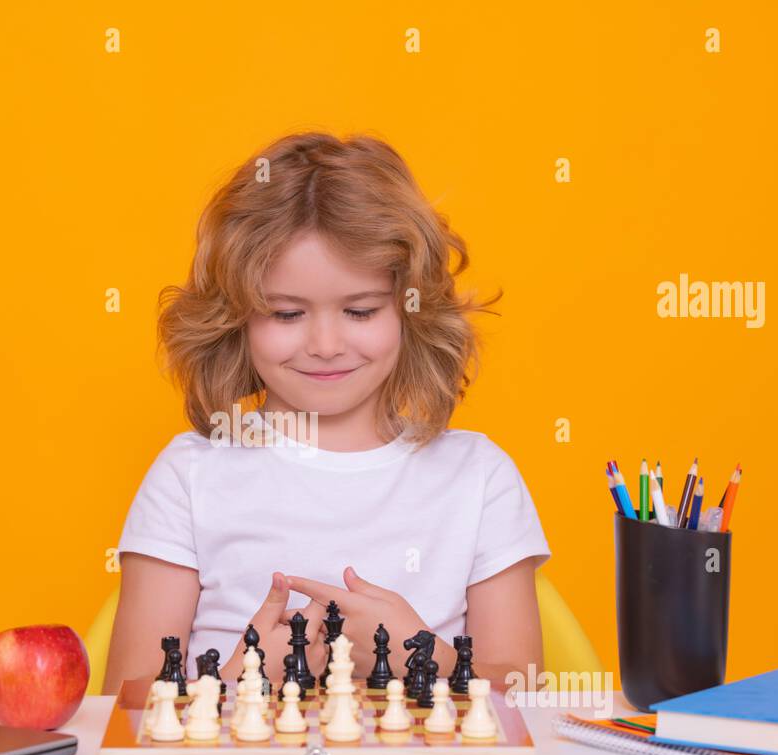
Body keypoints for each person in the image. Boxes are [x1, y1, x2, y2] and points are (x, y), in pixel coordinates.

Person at [102, 132, 549, 694]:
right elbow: (124, 698)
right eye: (287, 314)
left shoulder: (478, 477)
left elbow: (525, 691)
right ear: (235, 318)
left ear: (412, 309)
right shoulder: (189, 476)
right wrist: (238, 684)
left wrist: (418, 656)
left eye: (360, 310)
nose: (325, 343)